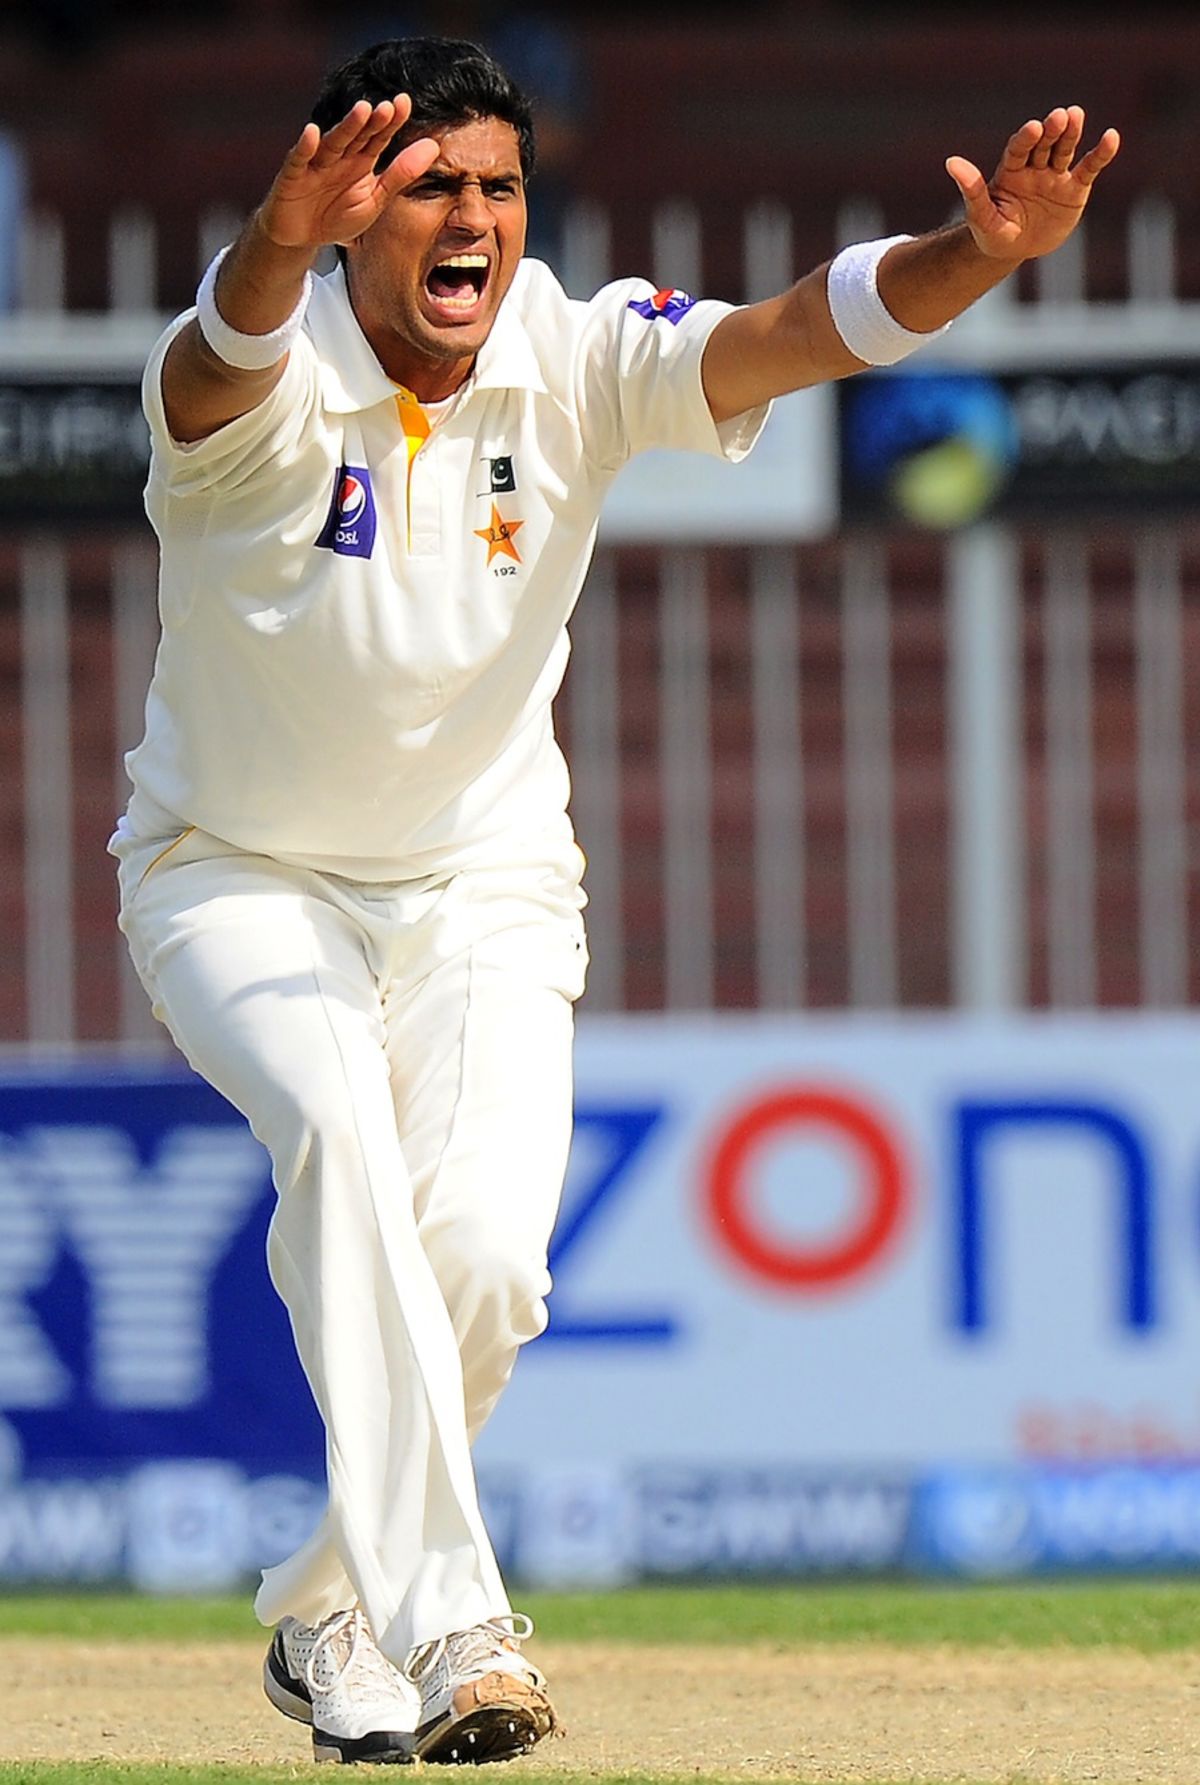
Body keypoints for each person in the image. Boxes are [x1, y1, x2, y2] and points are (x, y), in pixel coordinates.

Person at [110, 34, 1118, 1768]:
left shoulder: (576, 352)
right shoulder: (259, 387)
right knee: (341, 1132)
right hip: (236, 878)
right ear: (349, 213)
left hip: (486, 876)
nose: (476, 219)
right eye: (431, 186)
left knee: (490, 1267)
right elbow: (215, 364)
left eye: (498, 187)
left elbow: (789, 332)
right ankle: (460, 1632)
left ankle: (319, 1602)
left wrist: (978, 258)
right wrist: (271, 251)